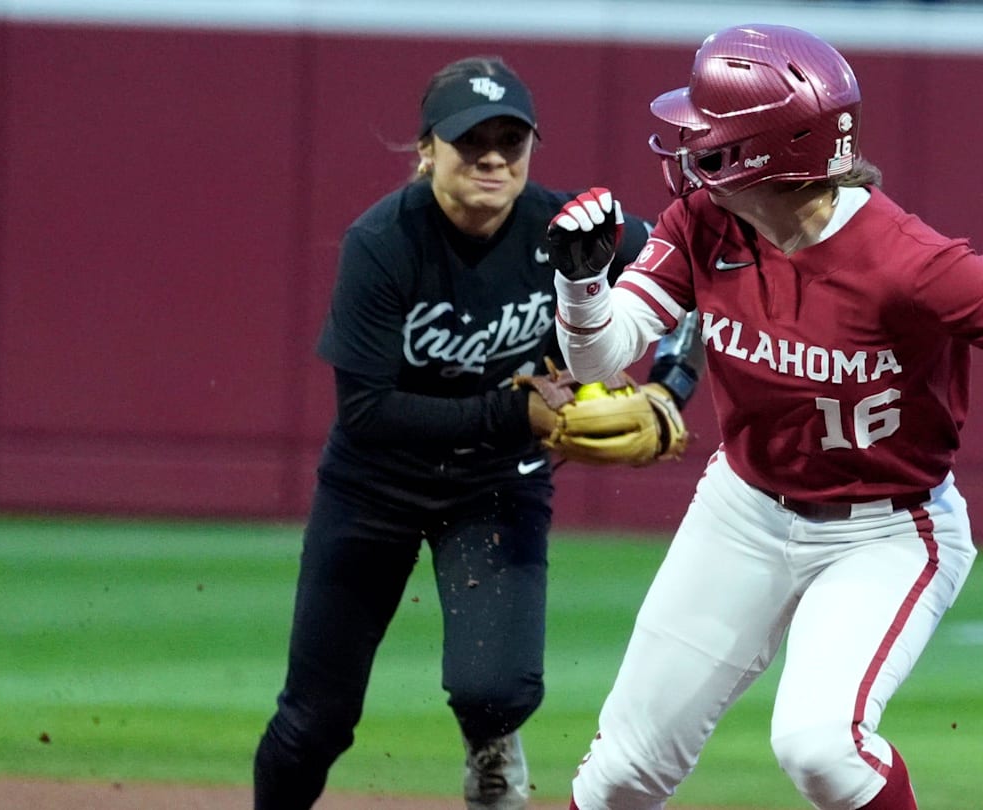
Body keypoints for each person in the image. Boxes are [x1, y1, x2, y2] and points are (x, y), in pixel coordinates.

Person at [543, 24, 983, 810]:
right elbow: (599, 358)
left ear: (770, 154)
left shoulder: (907, 263)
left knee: (820, 747)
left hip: (886, 531)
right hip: (743, 509)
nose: (692, 150)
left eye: (713, 139)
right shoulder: (703, 221)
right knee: (620, 774)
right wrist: (582, 286)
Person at [252, 56, 699, 810]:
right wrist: (514, 414)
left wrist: (671, 386)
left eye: (511, 141)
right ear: (427, 150)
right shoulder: (384, 244)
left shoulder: (576, 229)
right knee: (316, 718)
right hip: (375, 486)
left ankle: (490, 741)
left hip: (497, 486)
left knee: (494, 690)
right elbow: (366, 410)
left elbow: (695, 280)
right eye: (470, 141)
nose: (492, 157)